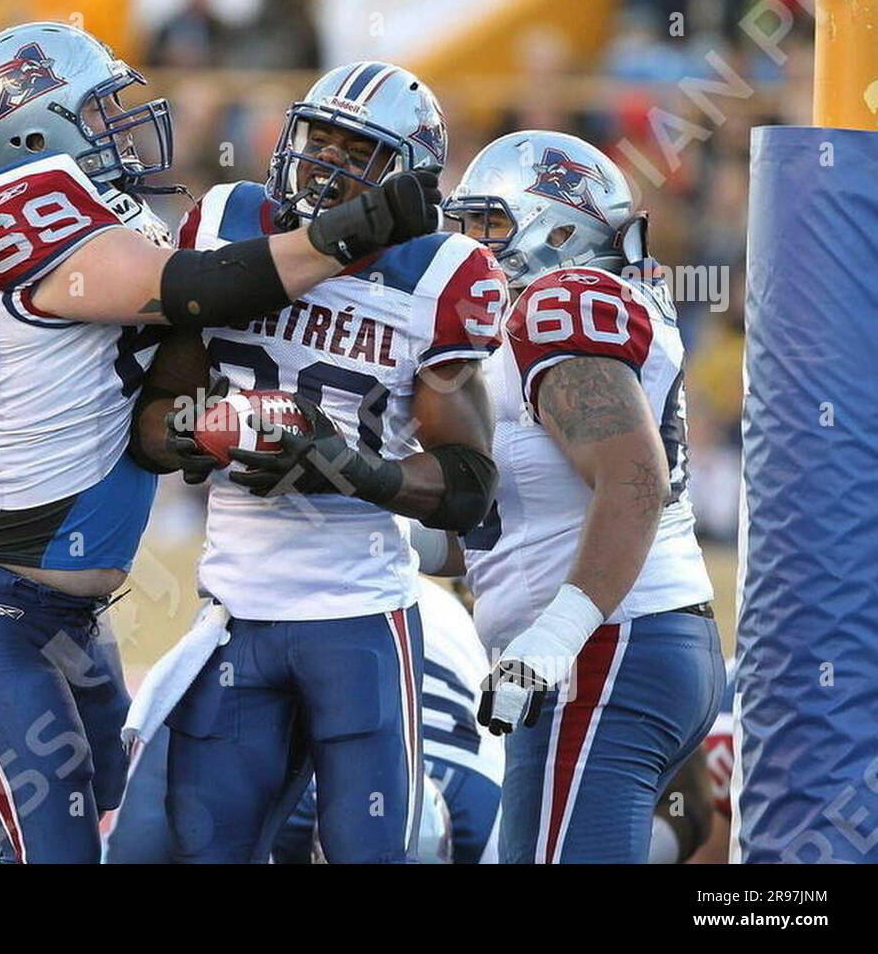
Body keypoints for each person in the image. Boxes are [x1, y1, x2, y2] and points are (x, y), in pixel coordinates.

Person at [0, 24, 443, 865]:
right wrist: (352, 227)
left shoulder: (113, 209)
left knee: (116, 842)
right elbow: (189, 288)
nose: (127, 124)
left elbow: (161, 411)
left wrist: (224, 422)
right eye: (100, 109)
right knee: (51, 847)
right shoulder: (4, 206)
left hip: (70, 612)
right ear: (32, 131)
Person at [131, 61, 503, 863]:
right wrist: (211, 433)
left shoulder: (438, 274)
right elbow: (152, 421)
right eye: (318, 139)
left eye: (356, 151)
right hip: (238, 612)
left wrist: (345, 466)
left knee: (373, 852)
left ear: (404, 179)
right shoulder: (231, 220)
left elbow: (470, 487)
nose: (325, 164)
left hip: (360, 618)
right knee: (204, 847)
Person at [439, 129, 723, 862]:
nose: (472, 246)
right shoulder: (535, 327)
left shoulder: (557, 304)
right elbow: (499, 522)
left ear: (557, 228)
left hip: (605, 642)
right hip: (631, 636)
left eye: (490, 224)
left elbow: (634, 482)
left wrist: (552, 642)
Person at [104, 576, 503, 864]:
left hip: (402, 621)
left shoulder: (490, 818)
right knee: (152, 845)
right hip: (271, 618)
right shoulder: (302, 809)